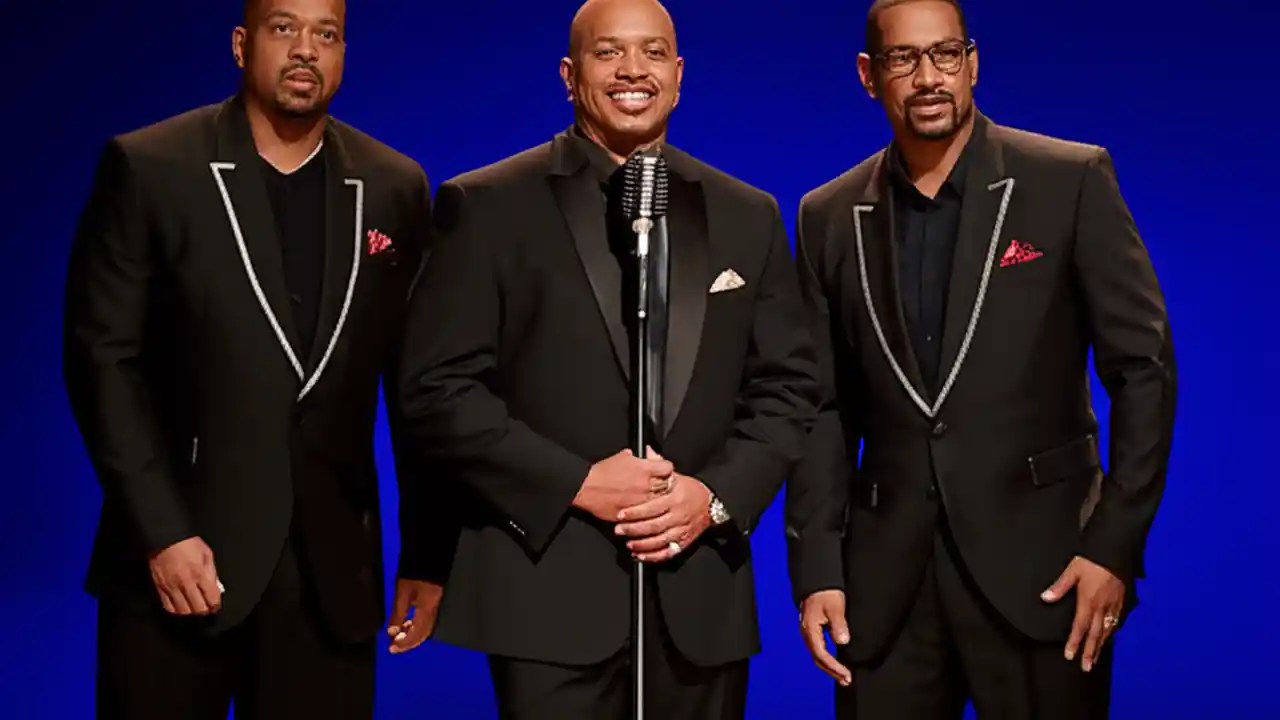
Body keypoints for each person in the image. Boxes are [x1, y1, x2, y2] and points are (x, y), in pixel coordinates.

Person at [392, 0, 819, 716]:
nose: (632, 70)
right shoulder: (487, 205)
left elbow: (789, 386)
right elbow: (437, 390)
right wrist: (578, 483)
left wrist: (712, 498)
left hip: (698, 599)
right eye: (608, 52)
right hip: (547, 599)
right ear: (569, 74)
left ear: (679, 74)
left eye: (652, 52)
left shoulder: (746, 213)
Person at [785, 0, 1177, 717]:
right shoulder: (828, 215)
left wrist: (1113, 547)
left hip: (1048, 573)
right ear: (869, 75)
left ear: (972, 62)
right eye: (904, 59)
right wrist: (817, 568)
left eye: (945, 54)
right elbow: (820, 406)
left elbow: (1144, 369)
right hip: (886, 590)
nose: (928, 77)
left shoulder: (1068, 180)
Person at [62, 1, 452, 717]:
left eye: (326, 34)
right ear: (242, 45)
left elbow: (415, 385)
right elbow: (102, 361)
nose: (306, 49)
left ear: (343, 53)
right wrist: (163, 531)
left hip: (330, 578)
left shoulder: (394, 186)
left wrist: (427, 553)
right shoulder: (153, 167)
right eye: (284, 28)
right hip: (180, 563)